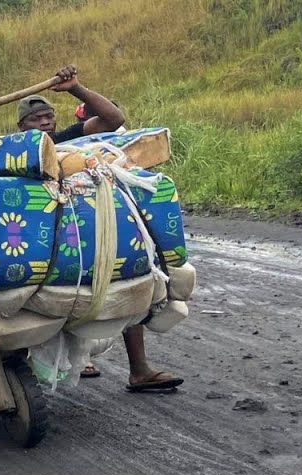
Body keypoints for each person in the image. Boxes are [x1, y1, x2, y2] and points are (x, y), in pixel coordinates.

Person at [16, 65, 181, 392]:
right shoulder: (14, 154)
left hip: (87, 227)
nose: (46, 122)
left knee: (125, 281)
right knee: (57, 294)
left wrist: (76, 88)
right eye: (37, 120)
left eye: (49, 116)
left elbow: (113, 119)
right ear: (22, 127)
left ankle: (139, 370)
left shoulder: (69, 142)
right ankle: (74, 358)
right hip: (46, 237)